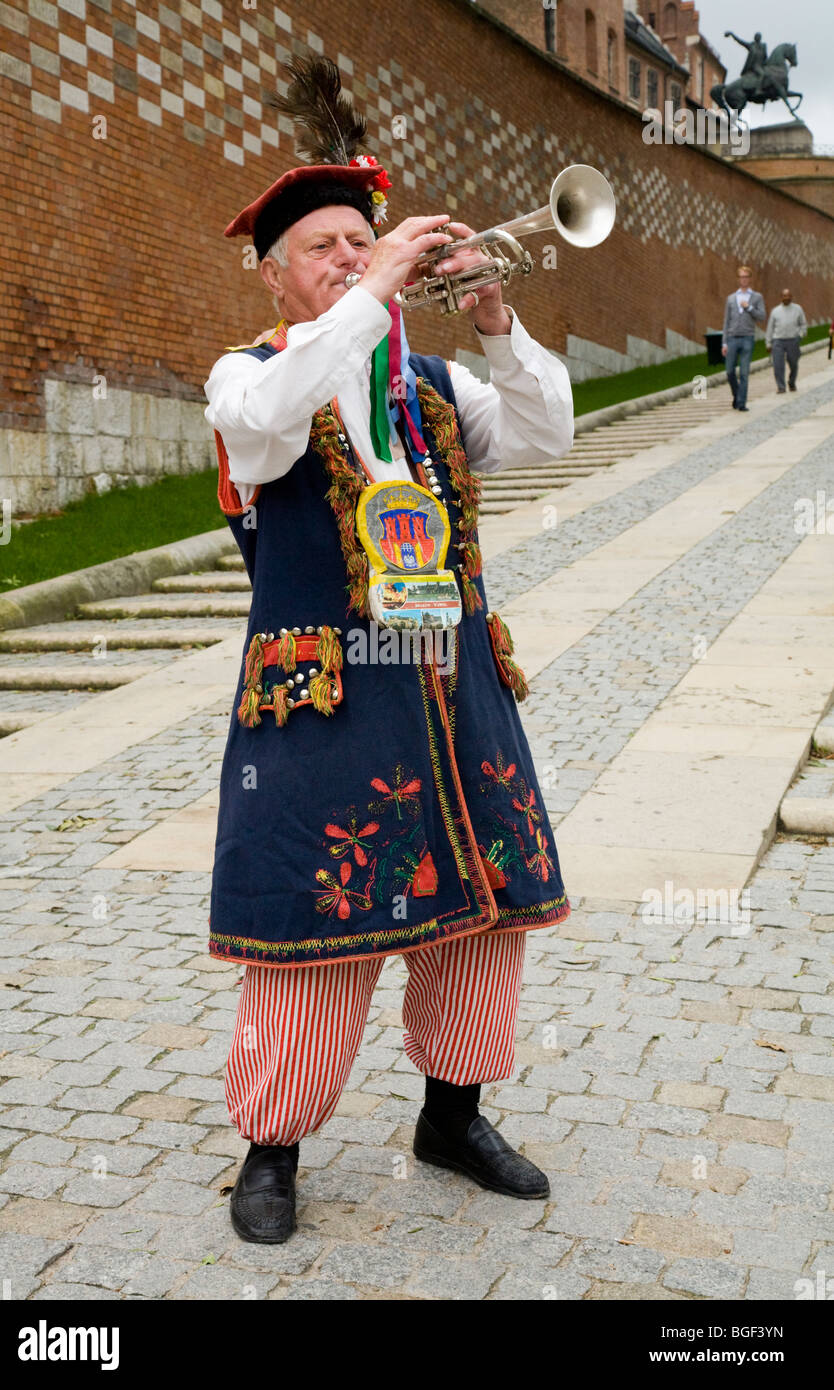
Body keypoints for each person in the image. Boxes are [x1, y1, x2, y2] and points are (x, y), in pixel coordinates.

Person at [202, 58, 576, 1245]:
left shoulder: (427, 380)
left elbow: (543, 429)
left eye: (363, 239)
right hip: (321, 703)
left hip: (454, 682)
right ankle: (270, 1149)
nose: (351, 259)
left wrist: (492, 318)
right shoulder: (249, 377)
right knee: (312, 930)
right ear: (275, 273)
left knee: (485, 914)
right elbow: (264, 433)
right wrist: (378, 290)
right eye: (325, 248)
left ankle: (451, 1115)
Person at [722, 265, 766, 410]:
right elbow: (726, 321)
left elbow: (762, 316)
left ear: (750, 279)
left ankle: (741, 403)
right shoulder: (731, 298)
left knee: (744, 372)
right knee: (729, 371)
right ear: (738, 279)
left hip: (748, 337)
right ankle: (737, 395)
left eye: (746, 277)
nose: (744, 280)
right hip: (732, 338)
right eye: (741, 277)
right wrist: (724, 342)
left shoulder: (757, 297)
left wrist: (749, 307)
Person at [765, 288, 807, 392]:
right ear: (781, 297)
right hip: (778, 340)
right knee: (778, 364)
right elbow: (770, 328)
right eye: (784, 296)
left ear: (791, 297)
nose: (786, 298)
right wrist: (768, 343)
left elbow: (803, 324)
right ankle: (781, 386)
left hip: (793, 340)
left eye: (788, 296)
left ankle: (792, 382)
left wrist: (800, 335)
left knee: (793, 363)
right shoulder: (775, 311)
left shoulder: (798, 309)